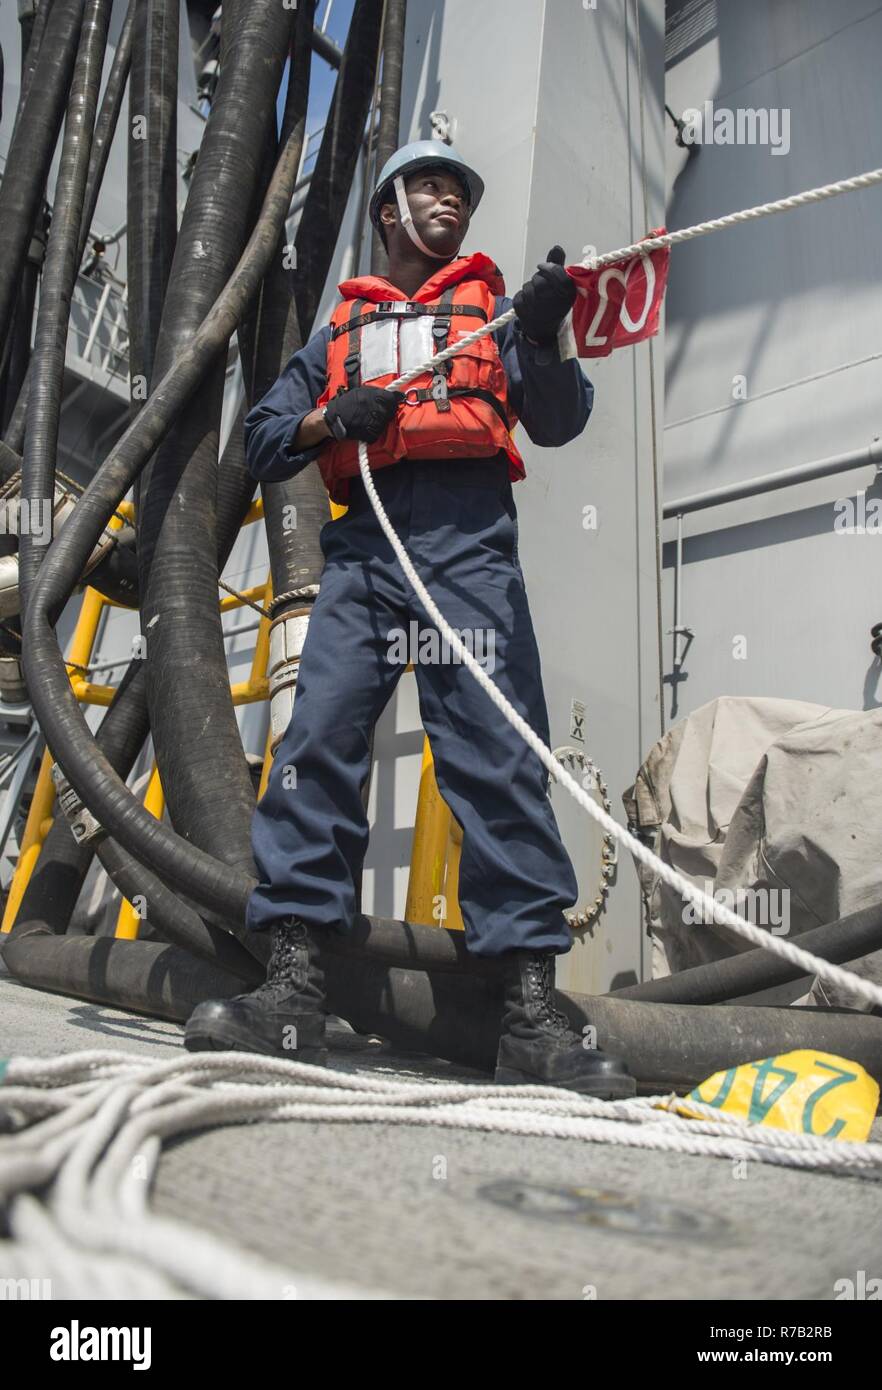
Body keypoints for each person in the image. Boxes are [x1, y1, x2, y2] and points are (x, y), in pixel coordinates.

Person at [185, 141, 635, 1098]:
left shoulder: (503, 315)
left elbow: (557, 420)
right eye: (431, 186)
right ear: (389, 208)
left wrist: (550, 332)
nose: (451, 201)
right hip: (365, 552)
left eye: (462, 192)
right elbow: (264, 438)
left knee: (498, 757)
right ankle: (295, 982)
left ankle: (525, 1006)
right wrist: (326, 419)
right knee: (319, 742)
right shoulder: (337, 332)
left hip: (468, 545)